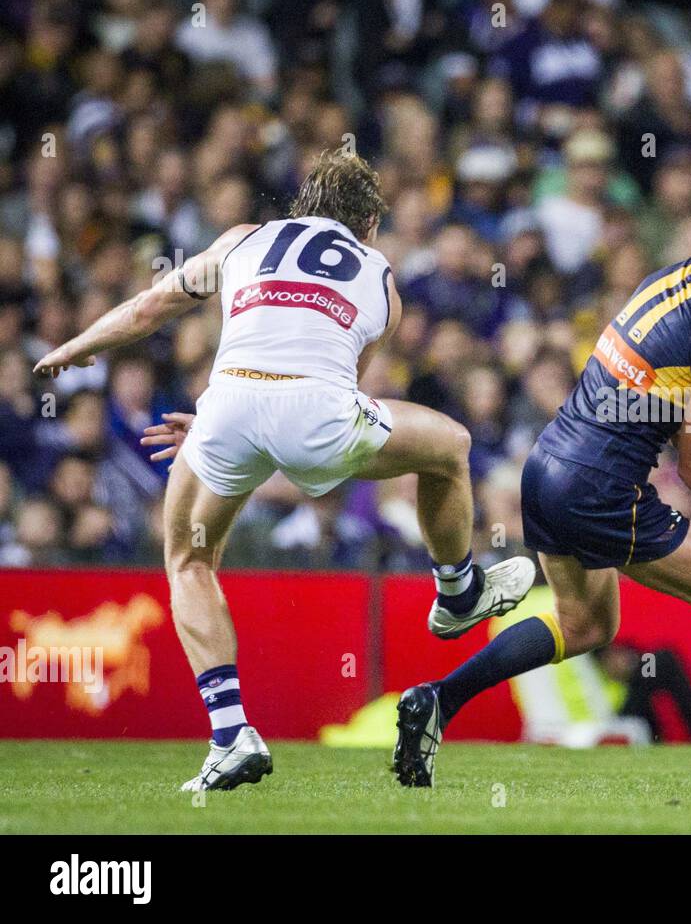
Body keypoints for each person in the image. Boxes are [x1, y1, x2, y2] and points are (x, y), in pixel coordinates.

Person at [34, 150, 534, 792]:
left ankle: (230, 734)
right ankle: (457, 590)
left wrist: (78, 348)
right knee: (452, 447)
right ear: (372, 222)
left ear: (302, 205)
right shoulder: (382, 277)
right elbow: (334, 391)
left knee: (188, 561)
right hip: (318, 414)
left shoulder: (243, 238)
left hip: (228, 407)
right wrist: (279, 427)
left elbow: (146, 310)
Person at [391, 175, 691, 790]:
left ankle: (436, 700)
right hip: (600, 489)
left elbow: (687, 428)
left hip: (547, 469)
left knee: (584, 625)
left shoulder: (684, 278)